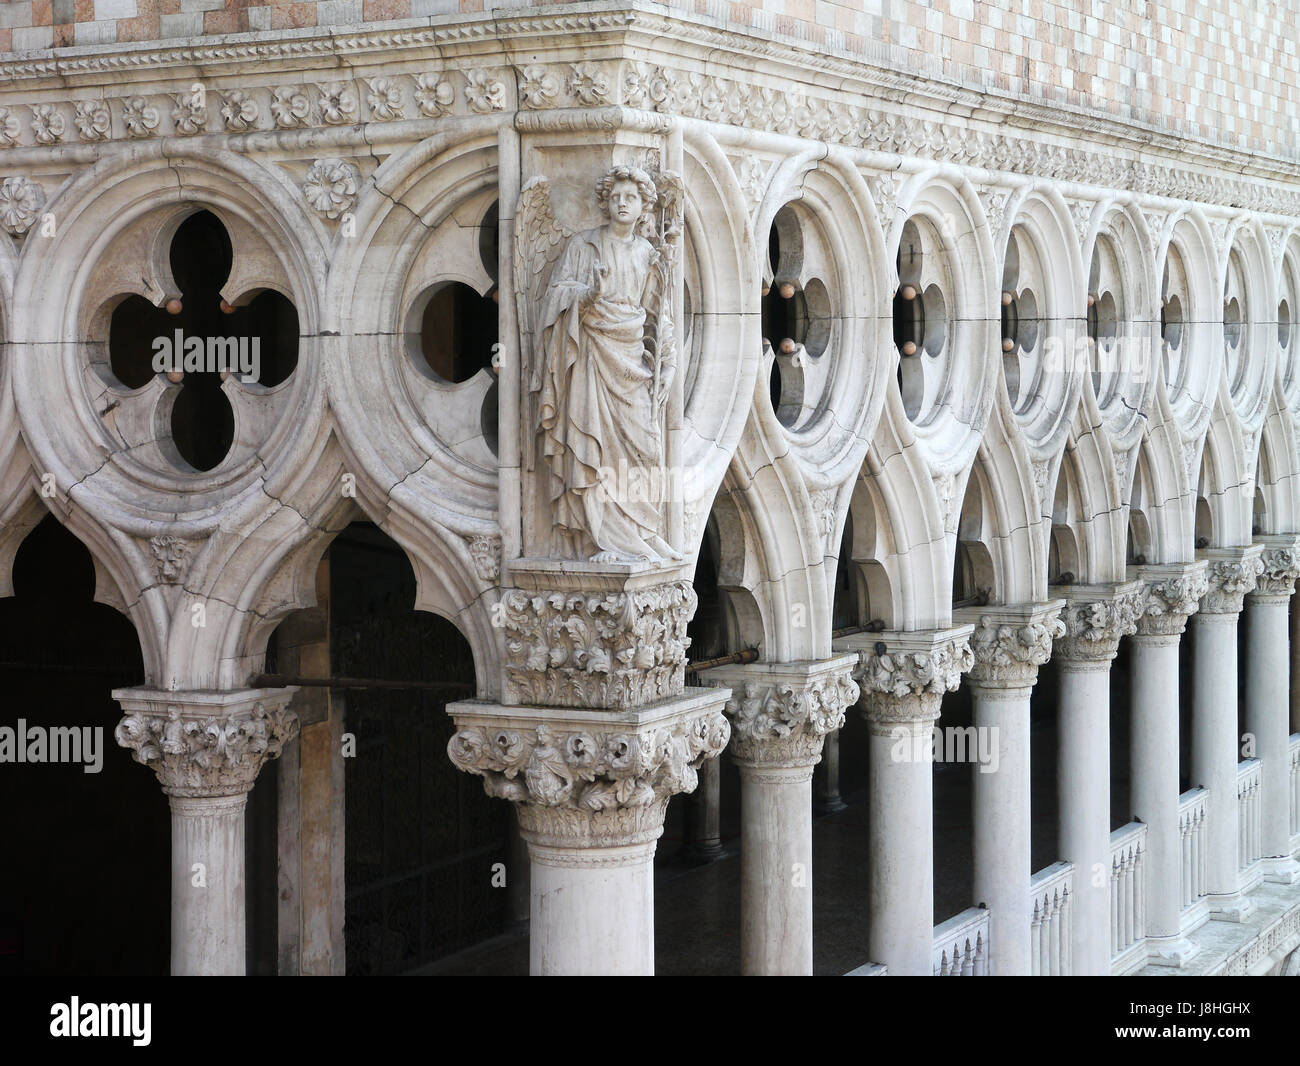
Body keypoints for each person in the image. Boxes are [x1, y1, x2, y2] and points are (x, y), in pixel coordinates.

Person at [535, 165, 679, 563]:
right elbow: (554, 298)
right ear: (605, 203)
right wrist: (586, 294)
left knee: (643, 447)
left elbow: (658, 316)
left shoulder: (649, 255)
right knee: (593, 446)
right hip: (591, 354)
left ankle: (643, 533)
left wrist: (667, 364)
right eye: (615, 197)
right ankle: (606, 540)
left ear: (642, 206)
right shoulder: (584, 247)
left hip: (631, 358)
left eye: (629, 198)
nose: (621, 203)